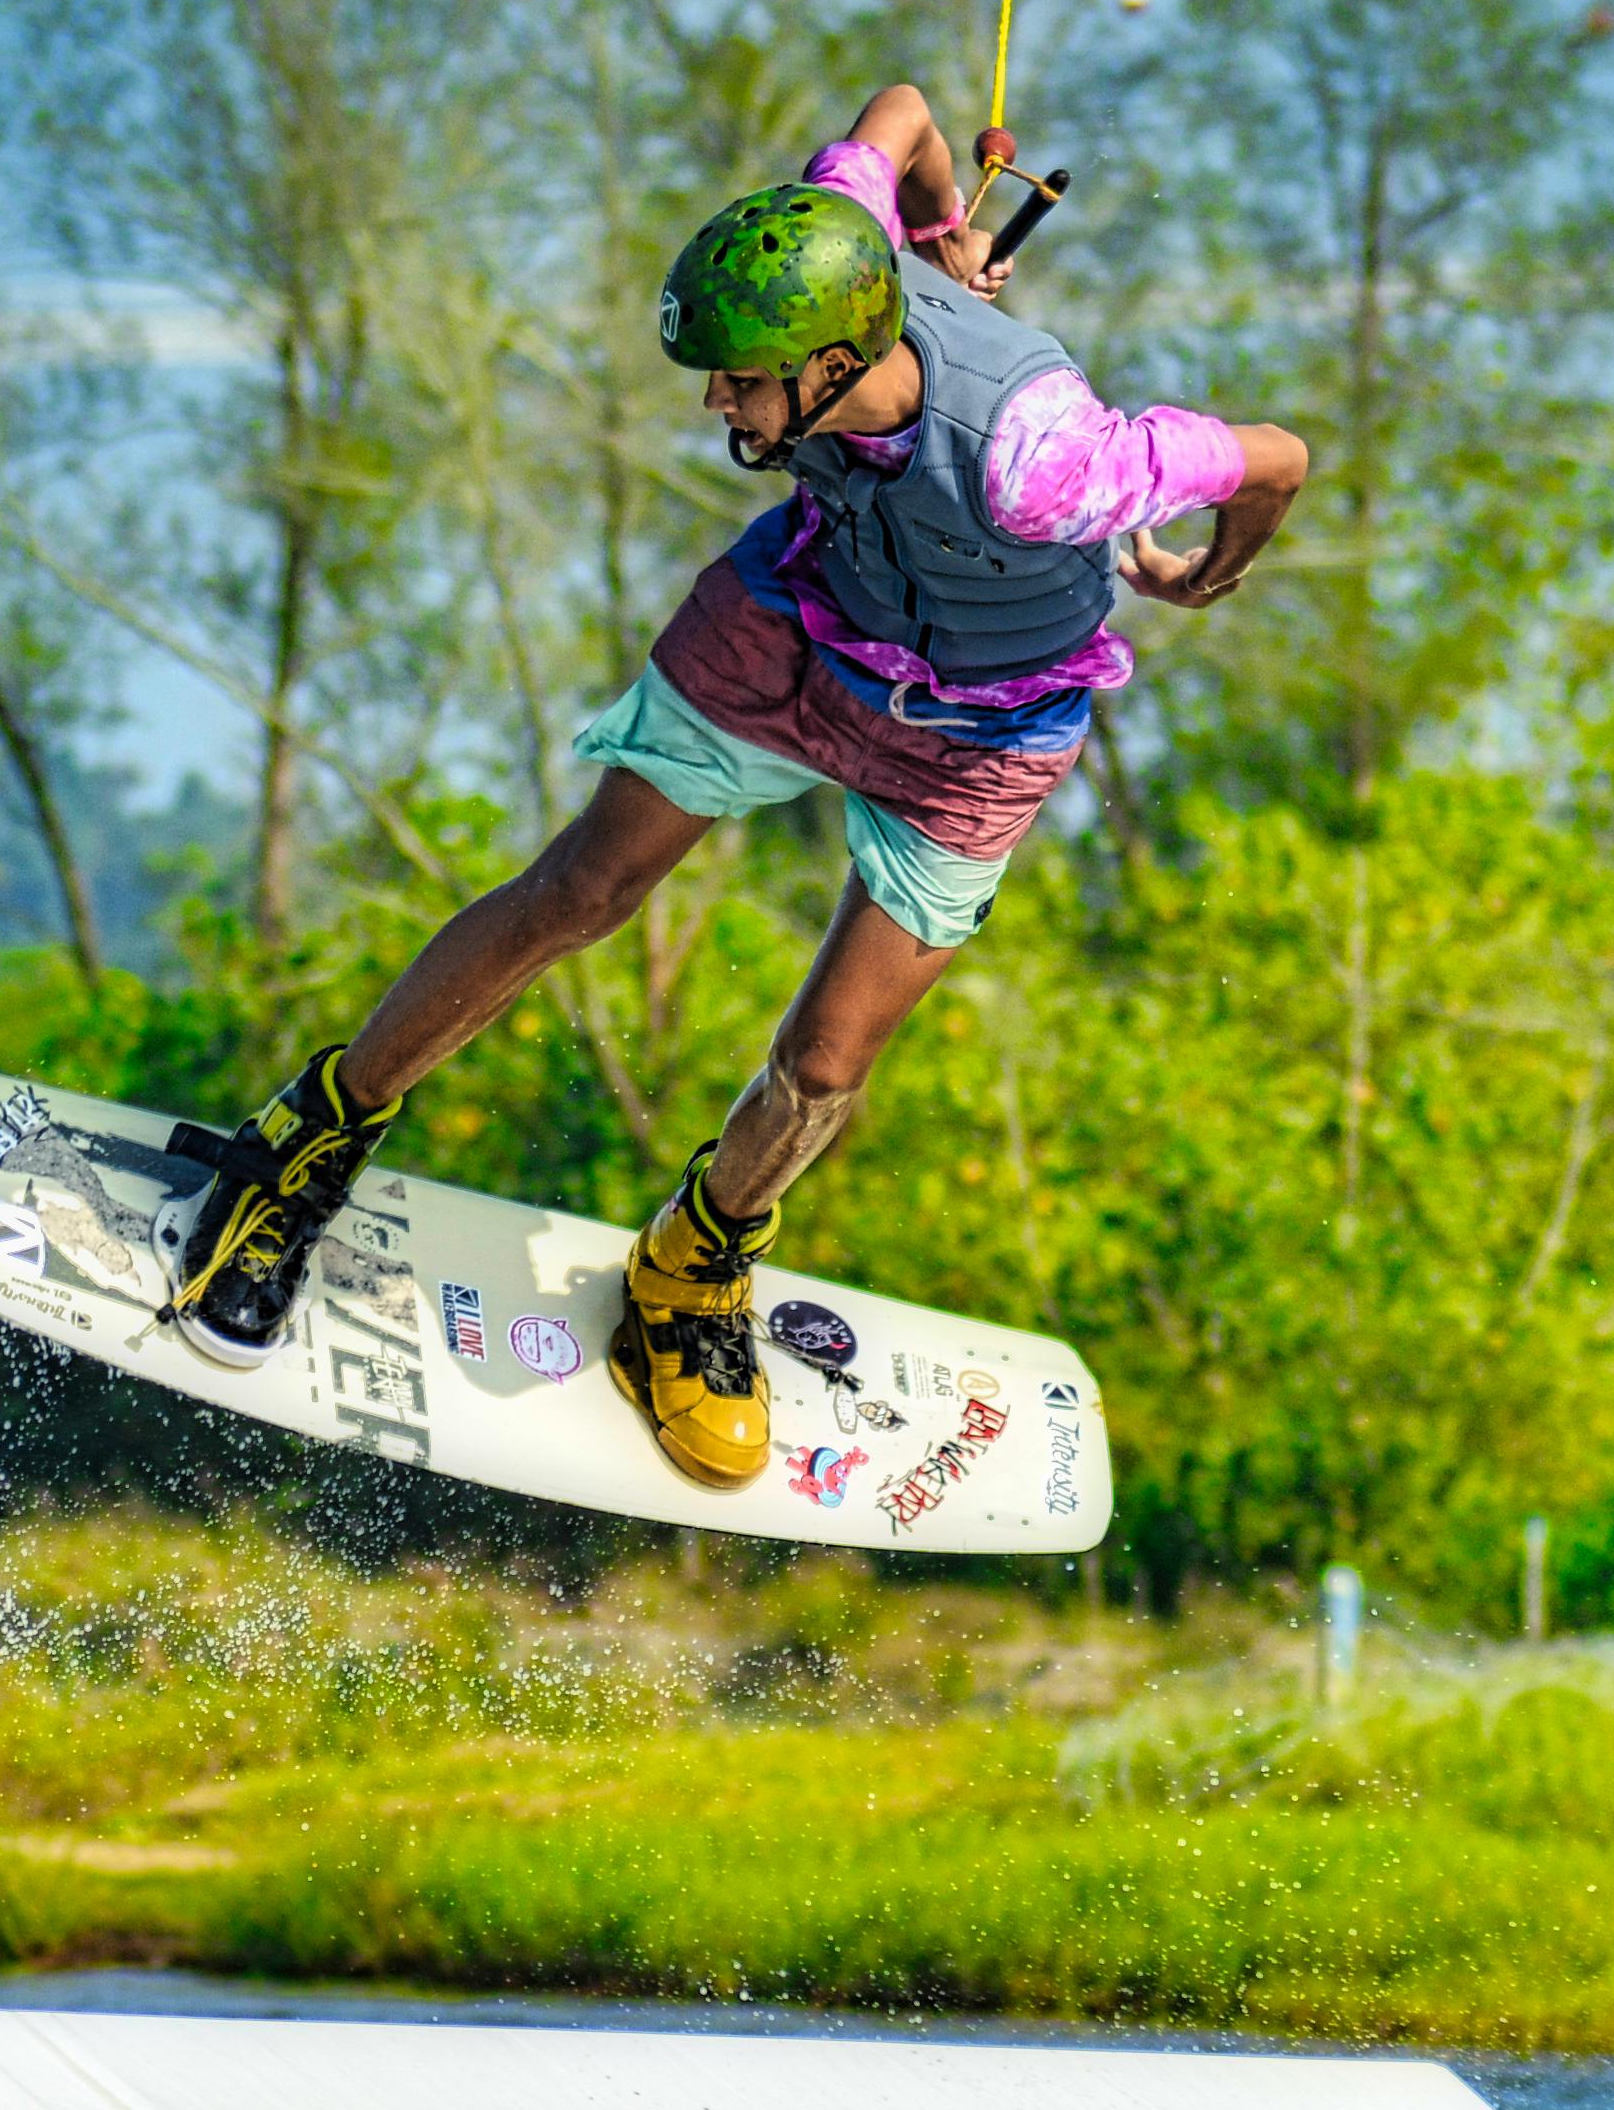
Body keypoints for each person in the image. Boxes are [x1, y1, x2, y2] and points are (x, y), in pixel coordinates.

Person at [157, 80, 1308, 1492]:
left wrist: (1204, 570)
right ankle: (309, 1137)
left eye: (743, 382)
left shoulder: (1050, 468)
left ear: (831, 360)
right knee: (581, 888)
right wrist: (940, 227)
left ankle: (693, 1269)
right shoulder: (834, 239)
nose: (717, 402)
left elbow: (1277, 460)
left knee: (826, 1062)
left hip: (982, 733)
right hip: (800, 627)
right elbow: (903, 110)